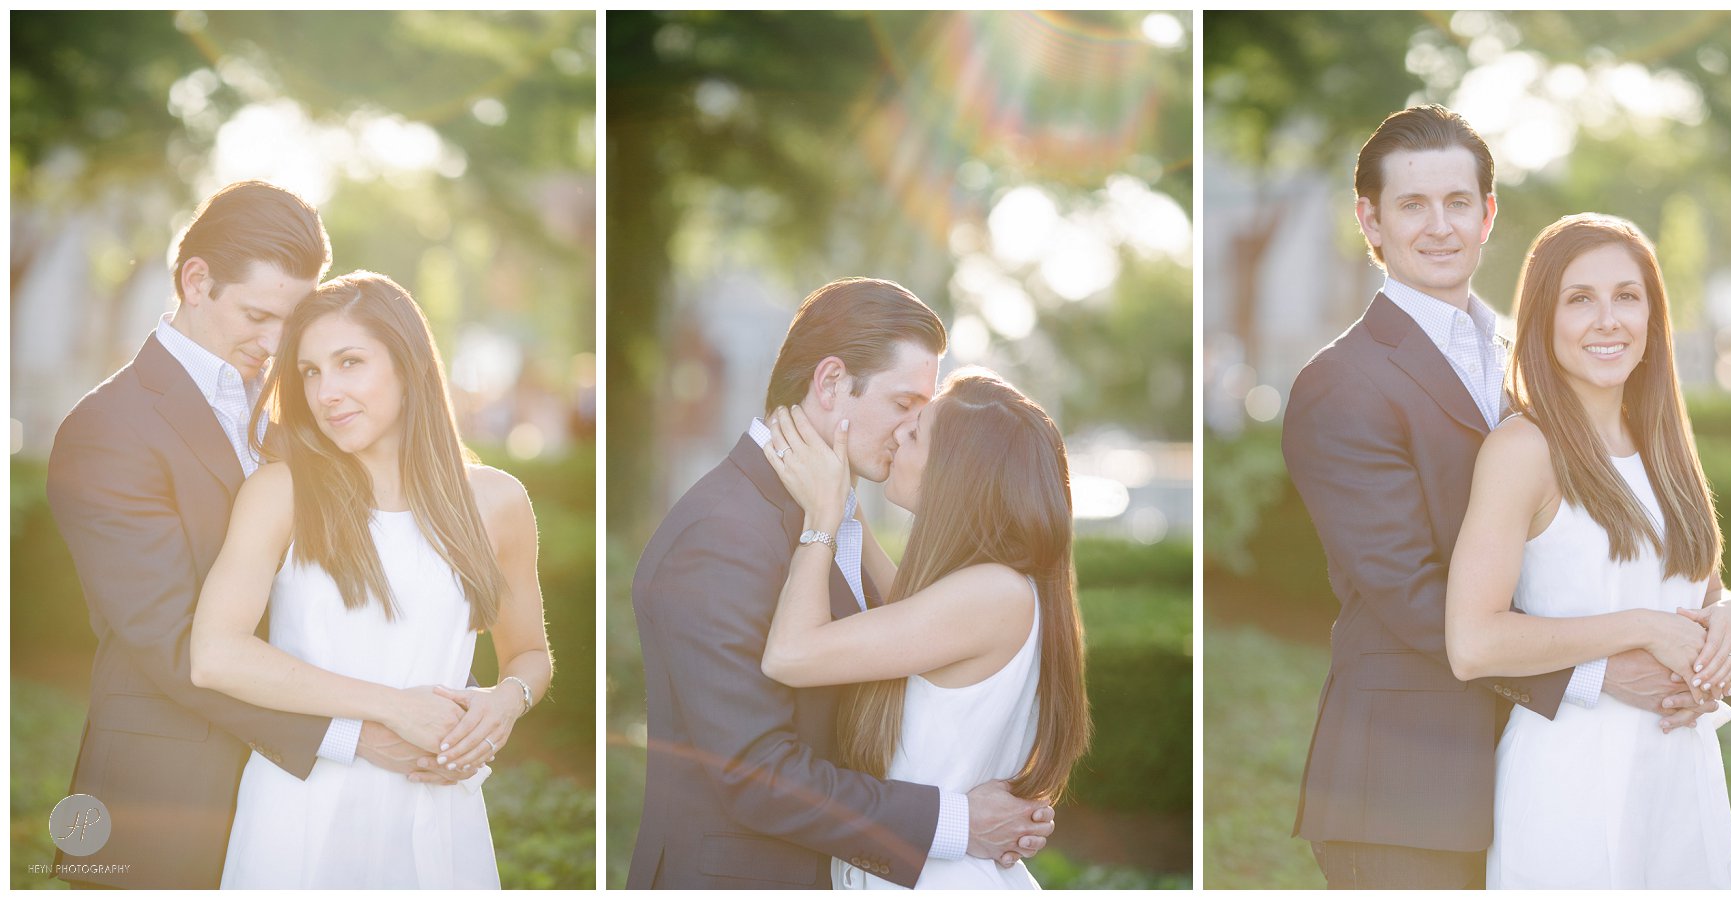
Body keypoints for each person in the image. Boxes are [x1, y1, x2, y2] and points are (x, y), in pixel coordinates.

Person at [1281, 105, 1726, 889]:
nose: (1439, 226)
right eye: (1412, 205)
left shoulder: (1532, 356)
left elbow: (1600, 536)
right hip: (1405, 785)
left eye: (1458, 202)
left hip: (1533, 763)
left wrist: (1728, 613)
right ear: (1370, 220)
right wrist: (1599, 673)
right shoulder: (1340, 384)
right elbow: (1410, 592)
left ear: (1489, 215)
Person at [45, 182, 471, 890]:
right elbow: (174, 643)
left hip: (300, 803)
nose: (276, 344)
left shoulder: (295, 421)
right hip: (172, 790)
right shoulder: (106, 431)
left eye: (291, 322)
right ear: (196, 280)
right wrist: (354, 735)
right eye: (257, 315)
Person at [628, 277, 1056, 890]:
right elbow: (757, 773)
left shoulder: (833, 516)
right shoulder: (720, 534)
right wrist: (959, 820)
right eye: (904, 404)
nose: (911, 430)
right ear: (831, 383)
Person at [187, 271, 553, 888]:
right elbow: (215, 656)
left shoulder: (498, 502)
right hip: (302, 808)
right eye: (310, 372)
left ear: (409, 367)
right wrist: (391, 711)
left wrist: (504, 703)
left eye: (349, 362)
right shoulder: (281, 492)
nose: (326, 391)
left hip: (441, 807)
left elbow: (530, 655)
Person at [1444, 214, 1731, 888]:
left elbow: (1697, 592)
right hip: (1572, 784)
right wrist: (1639, 630)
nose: (1607, 320)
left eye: (1627, 296)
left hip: (1682, 780)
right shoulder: (1524, 451)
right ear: (1544, 320)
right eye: (1580, 299)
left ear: (1653, 317)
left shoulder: (1663, 442)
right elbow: (1473, 641)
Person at [756, 366, 1090, 889]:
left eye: (914, 433)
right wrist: (842, 499)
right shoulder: (985, 589)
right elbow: (900, 612)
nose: (897, 435)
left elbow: (790, 656)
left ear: (956, 472)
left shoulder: (990, 594)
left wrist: (821, 521)